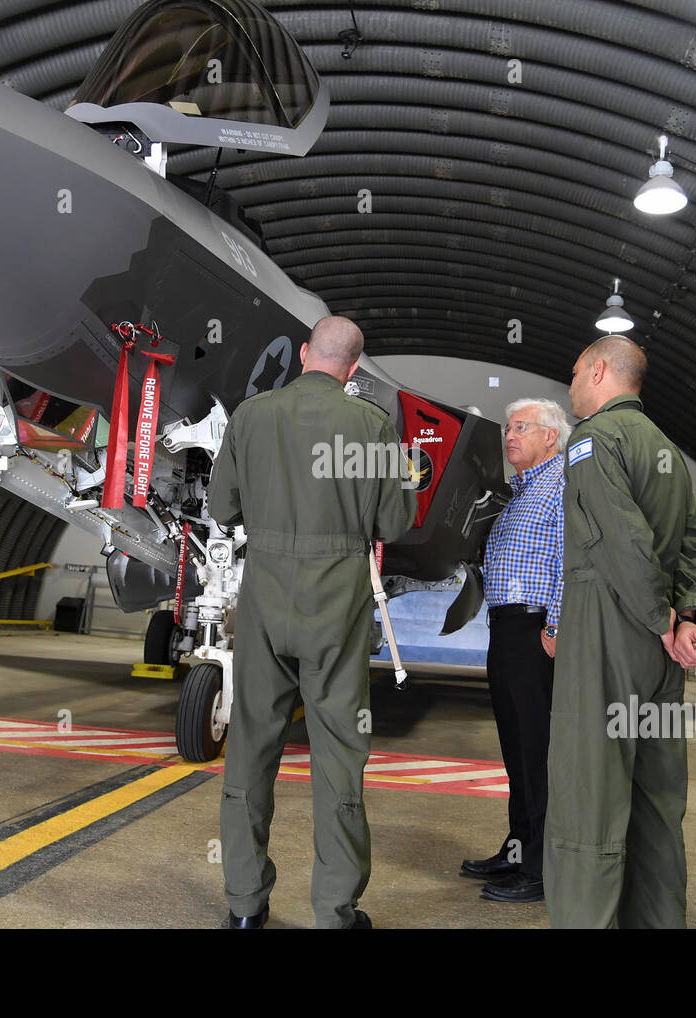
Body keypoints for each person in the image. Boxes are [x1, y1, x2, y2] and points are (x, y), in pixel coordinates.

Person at [206, 315, 417, 930]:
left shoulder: (250, 417)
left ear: (303, 354)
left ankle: (245, 909)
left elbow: (222, 507)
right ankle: (335, 910)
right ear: (355, 368)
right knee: (339, 756)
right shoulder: (373, 426)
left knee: (250, 748)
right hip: (339, 603)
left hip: (265, 597)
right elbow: (396, 525)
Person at [544, 334, 696, 928]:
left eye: (572, 373)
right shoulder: (668, 451)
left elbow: (621, 542)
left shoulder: (592, 442)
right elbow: (695, 546)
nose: (568, 388)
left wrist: (660, 618)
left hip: (608, 629)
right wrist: (685, 617)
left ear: (597, 370)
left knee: (588, 791)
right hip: (661, 651)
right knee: (657, 797)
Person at [460, 398, 567, 904]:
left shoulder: (562, 487)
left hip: (534, 633)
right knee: (515, 748)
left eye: (521, 427)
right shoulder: (520, 492)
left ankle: (540, 869)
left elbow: (576, 559)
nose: (509, 434)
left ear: (551, 436)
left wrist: (557, 628)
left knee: (535, 751)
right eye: (508, 426)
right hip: (506, 630)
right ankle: (518, 849)